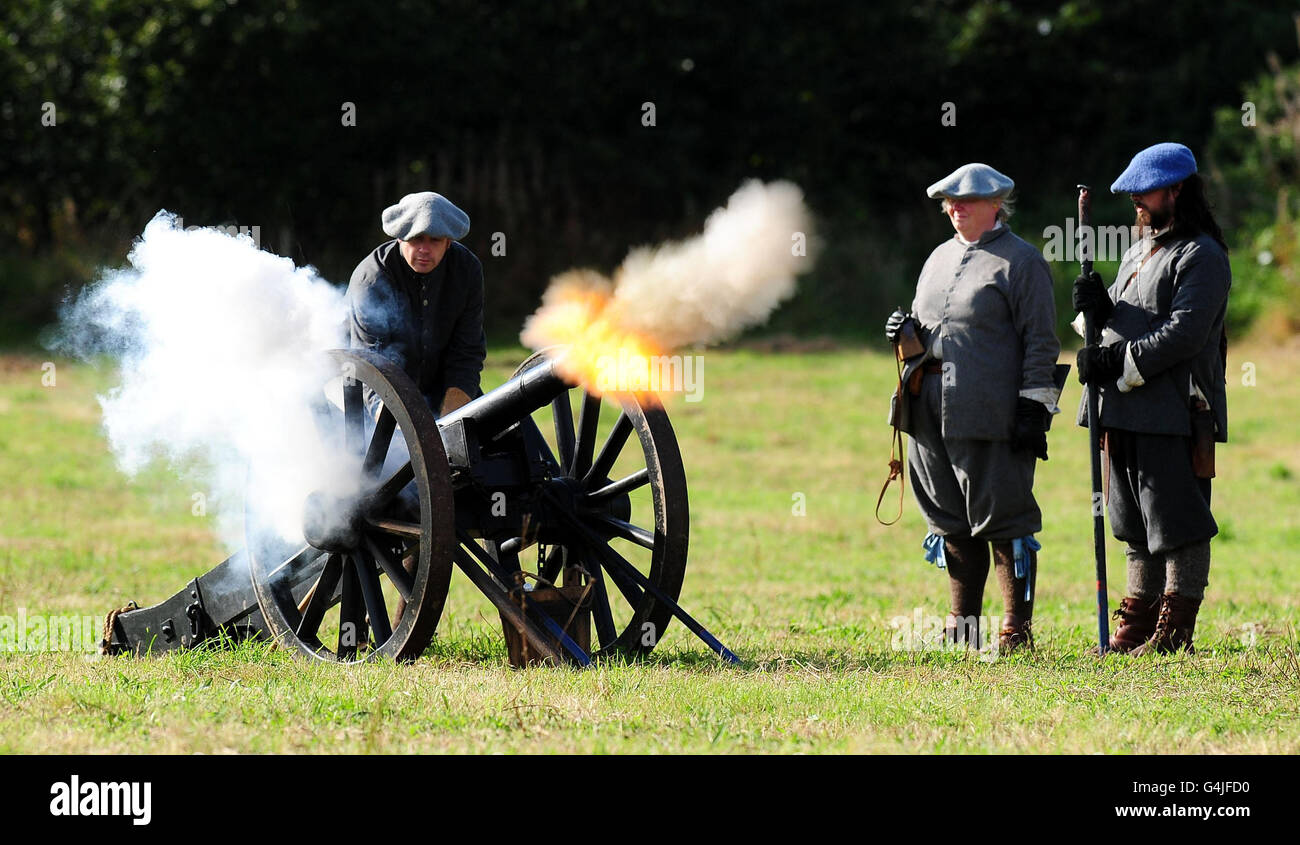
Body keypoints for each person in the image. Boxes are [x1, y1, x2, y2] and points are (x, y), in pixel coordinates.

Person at [886, 163, 1062, 653]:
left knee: (1003, 517)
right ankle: (963, 625)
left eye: (965, 201)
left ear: (995, 205)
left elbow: (1042, 343)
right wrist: (903, 331)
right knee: (949, 519)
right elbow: (927, 327)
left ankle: (1015, 630)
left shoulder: (1022, 262)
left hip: (993, 409)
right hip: (929, 408)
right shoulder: (937, 258)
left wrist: (1035, 407)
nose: (954, 208)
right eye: (949, 202)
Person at [1073, 143, 1230, 655]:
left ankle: (1174, 629)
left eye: (1145, 192)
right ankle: (1137, 620)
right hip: (1127, 406)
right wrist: (1096, 312)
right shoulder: (1140, 249)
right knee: (1133, 521)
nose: (1137, 202)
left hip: (1178, 410)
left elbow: (1185, 333)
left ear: (1177, 190)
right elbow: (1128, 320)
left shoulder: (1202, 254)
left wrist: (1116, 363)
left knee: (1176, 521)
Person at [346, 191, 486, 417]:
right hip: (365, 394)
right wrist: (402, 430)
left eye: (435, 240)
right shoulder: (371, 279)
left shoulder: (467, 270)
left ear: (448, 242)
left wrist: (453, 421)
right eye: (416, 239)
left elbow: (467, 351)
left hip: (440, 390)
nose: (424, 249)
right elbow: (370, 365)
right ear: (400, 237)